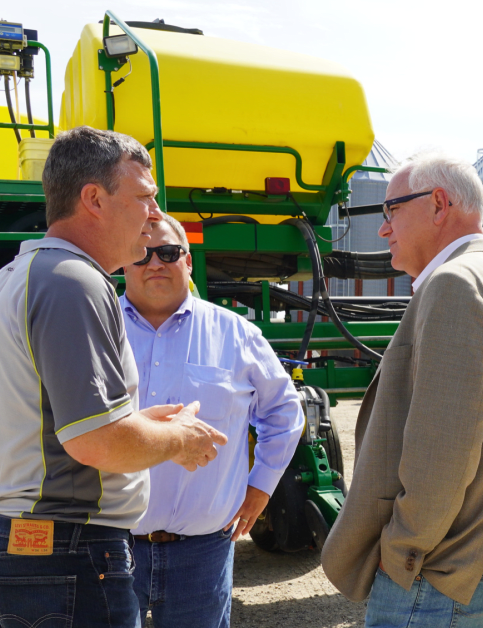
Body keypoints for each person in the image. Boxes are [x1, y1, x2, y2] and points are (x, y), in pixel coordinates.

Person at [0, 126, 227, 628]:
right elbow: (97, 443)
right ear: (94, 199)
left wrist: (136, 422)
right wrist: (177, 438)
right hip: (66, 555)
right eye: (145, 196)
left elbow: (48, 424)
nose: (154, 213)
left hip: (18, 546)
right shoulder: (73, 282)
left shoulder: (17, 276)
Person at [321, 152, 483, 627]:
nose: (384, 229)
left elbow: (443, 452)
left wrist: (403, 550)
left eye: (392, 210)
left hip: (442, 573)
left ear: (439, 203)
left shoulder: (455, 284)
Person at [122, 214, 304, 627]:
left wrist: (261, 486)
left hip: (201, 554)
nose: (155, 263)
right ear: (122, 262)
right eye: (142, 253)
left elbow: (284, 411)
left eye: (168, 253)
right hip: (110, 548)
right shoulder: (96, 331)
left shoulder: (235, 334)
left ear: (187, 262)